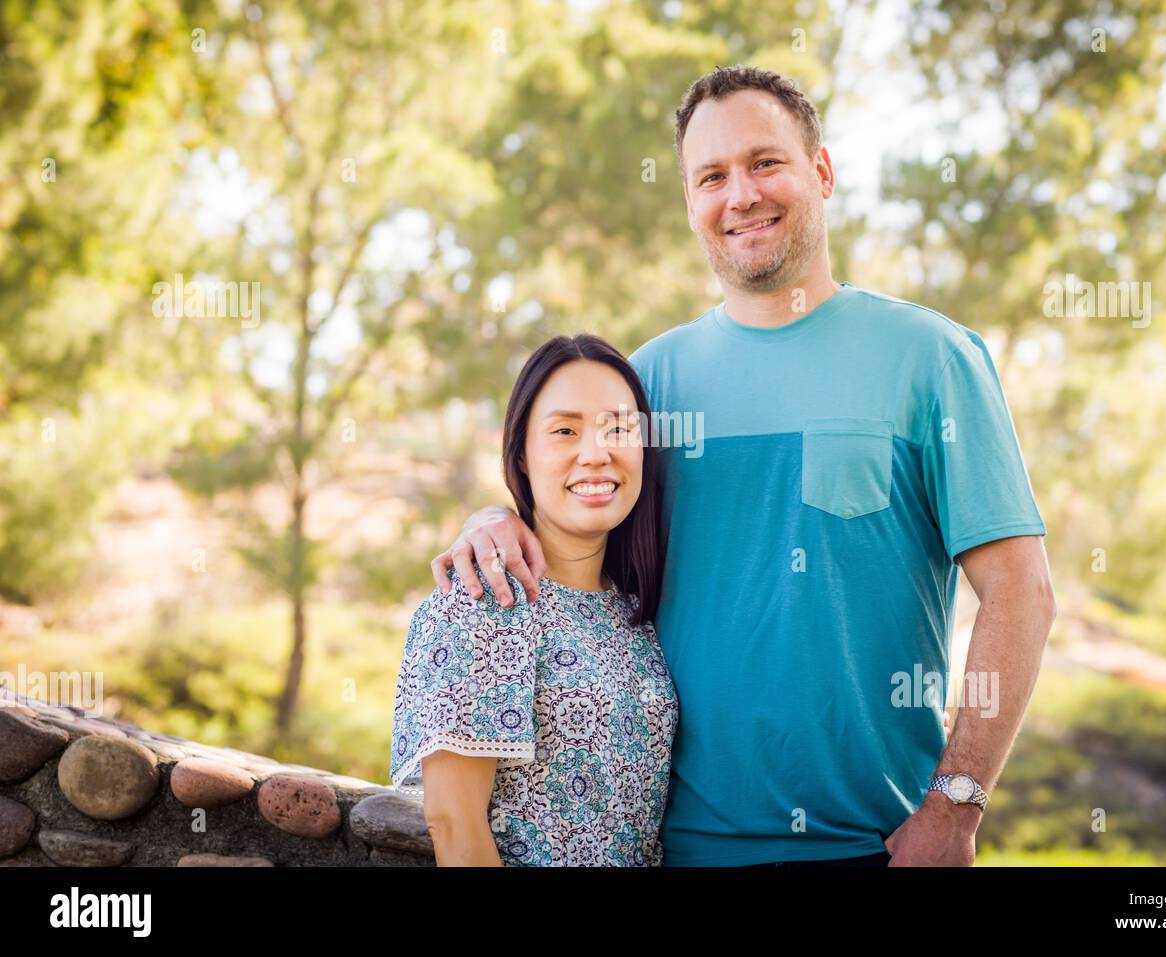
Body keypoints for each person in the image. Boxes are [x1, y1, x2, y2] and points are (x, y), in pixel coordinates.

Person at [431, 66, 1057, 867]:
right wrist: (492, 517)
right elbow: (567, 504)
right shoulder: (647, 383)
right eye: (712, 177)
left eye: (766, 163)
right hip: (673, 850)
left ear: (821, 173)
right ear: (690, 201)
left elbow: (1022, 591)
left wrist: (958, 803)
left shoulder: (931, 359)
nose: (741, 195)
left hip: (879, 847)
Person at [390, 334, 677, 866]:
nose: (596, 452)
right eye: (565, 430)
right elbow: (452, 822)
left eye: (619, 428)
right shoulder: (484, 601)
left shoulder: (633, 610)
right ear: (521, 452)